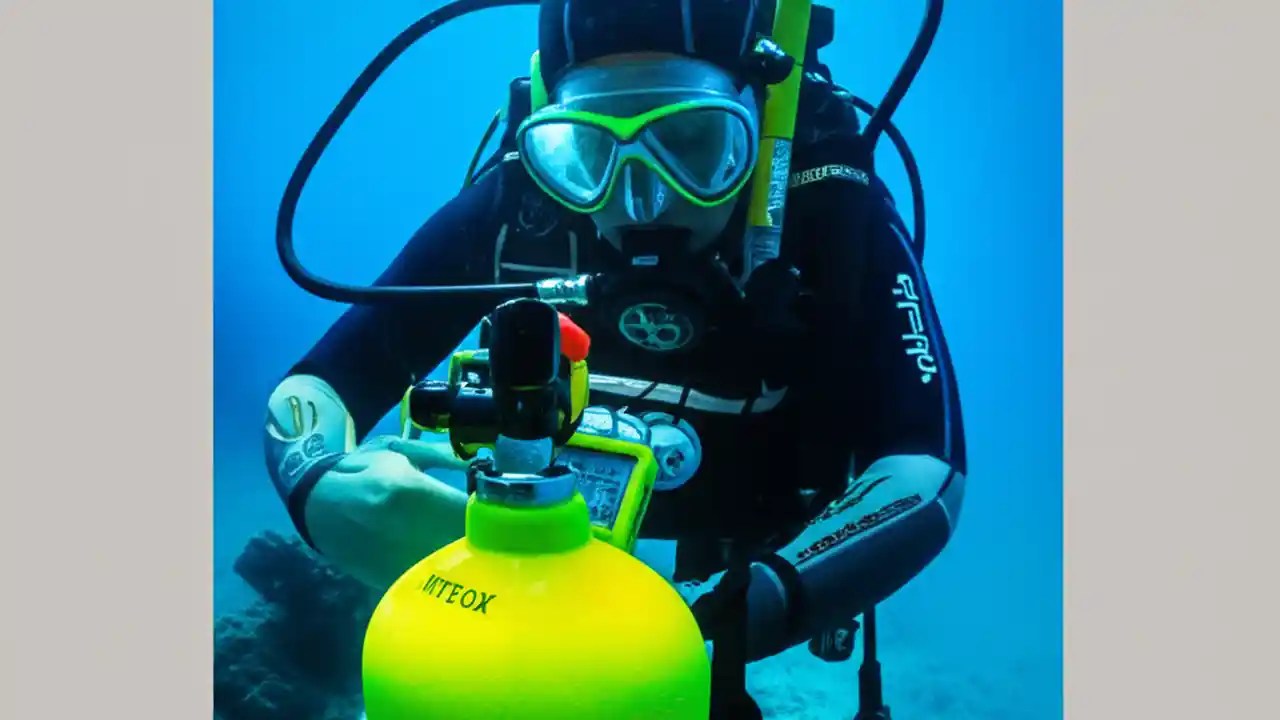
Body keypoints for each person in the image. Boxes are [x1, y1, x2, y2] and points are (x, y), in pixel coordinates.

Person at [264, 0, 966, 668]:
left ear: (760, 117)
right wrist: (317, 484)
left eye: (693, 142)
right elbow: (324, 382)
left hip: (760, 519)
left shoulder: (826, 214)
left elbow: (927, 466)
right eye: (588, 151)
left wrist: (765, 599)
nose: (641, 201)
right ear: (549, 140)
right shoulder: (522, 207)